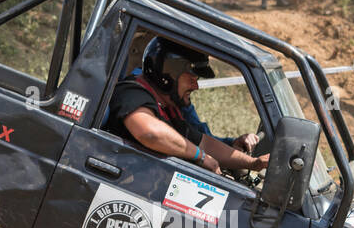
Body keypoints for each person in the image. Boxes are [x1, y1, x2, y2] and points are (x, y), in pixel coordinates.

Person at [108, 38, 268, 175]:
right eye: (191, 78)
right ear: (168, 73)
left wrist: (254, 163)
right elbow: (150, 133)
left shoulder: (170, 108)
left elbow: (204, 143)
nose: (196, 86)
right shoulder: (131, 91)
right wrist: (201, 156)